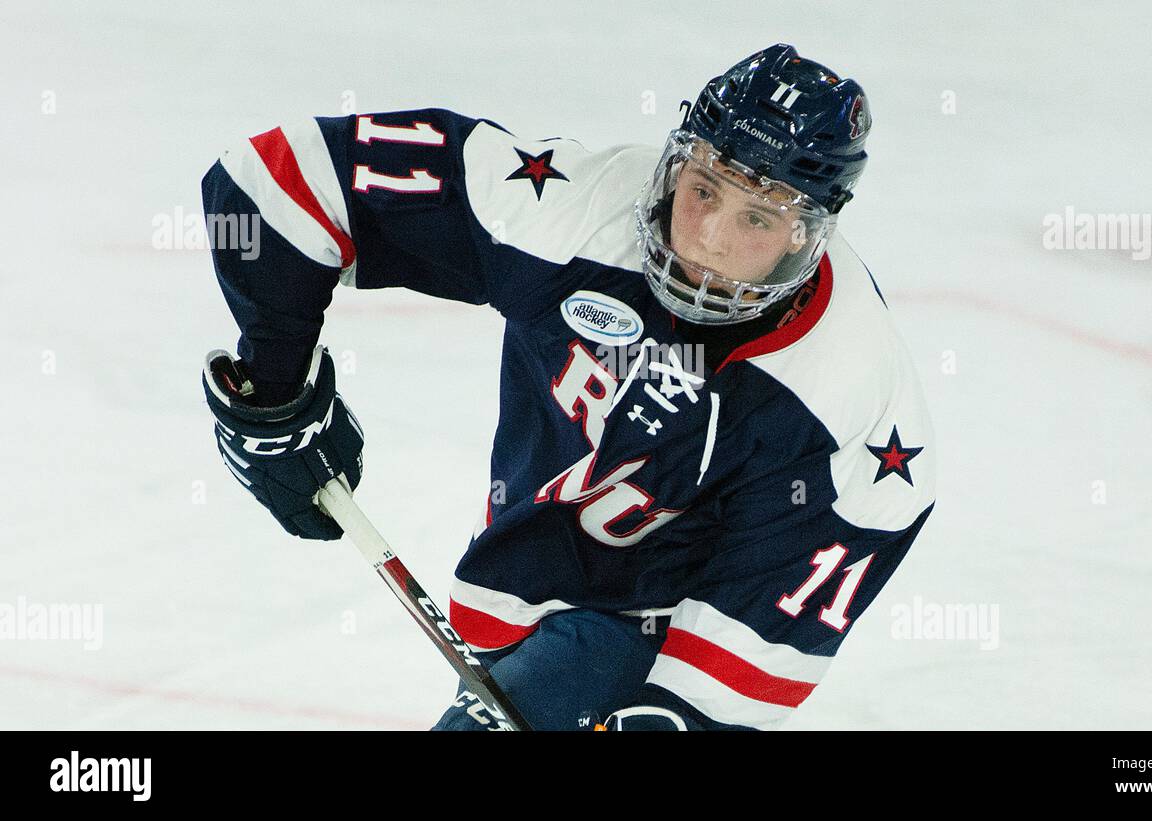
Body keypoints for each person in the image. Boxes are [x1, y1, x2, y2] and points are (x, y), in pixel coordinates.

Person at [200, 43, 936, 731]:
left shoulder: (851, 393)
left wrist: (664, 717)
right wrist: (274, 389)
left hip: (655, 629)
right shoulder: (568, 211)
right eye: (704, 188)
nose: (709, 235)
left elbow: (754, 649)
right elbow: (263, 185)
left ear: (807, 235)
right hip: (512, 590)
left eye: (756, 217)